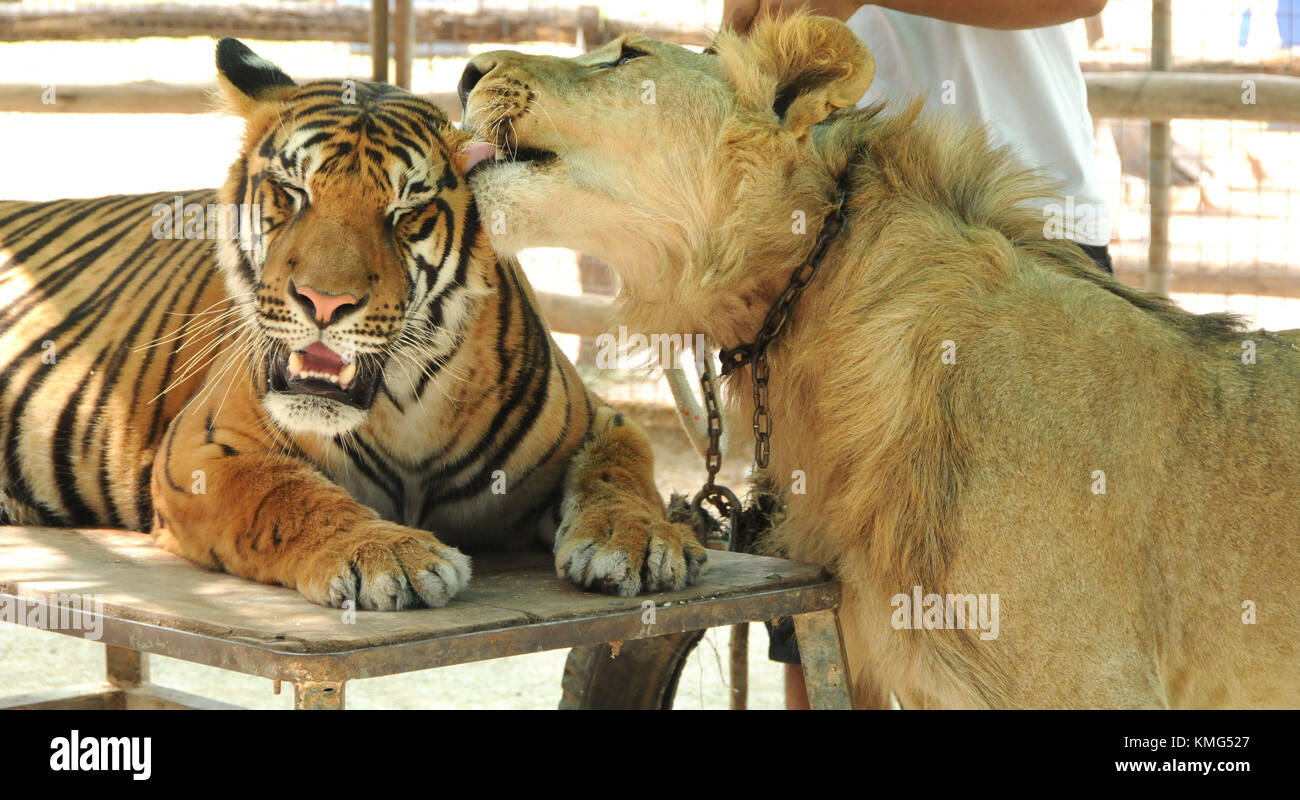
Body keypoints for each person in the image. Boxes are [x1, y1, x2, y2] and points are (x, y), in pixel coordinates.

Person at [723, 0, 1113, 709]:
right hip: (829, 235)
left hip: (1027, 220)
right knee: (826, 616)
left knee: (1039, 614)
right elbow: (746, 32)